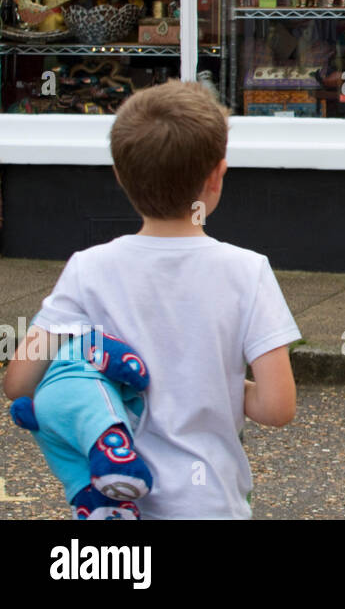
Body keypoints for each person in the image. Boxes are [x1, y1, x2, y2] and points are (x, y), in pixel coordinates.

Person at [3, 80, 300, 518]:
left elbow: (19, 382)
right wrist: (209, 381)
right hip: (211, 502)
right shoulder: (247, 271)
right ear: (217, 175)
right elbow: (276, 408)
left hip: (115, 505)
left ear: (120, 175)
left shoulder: (89, 269)